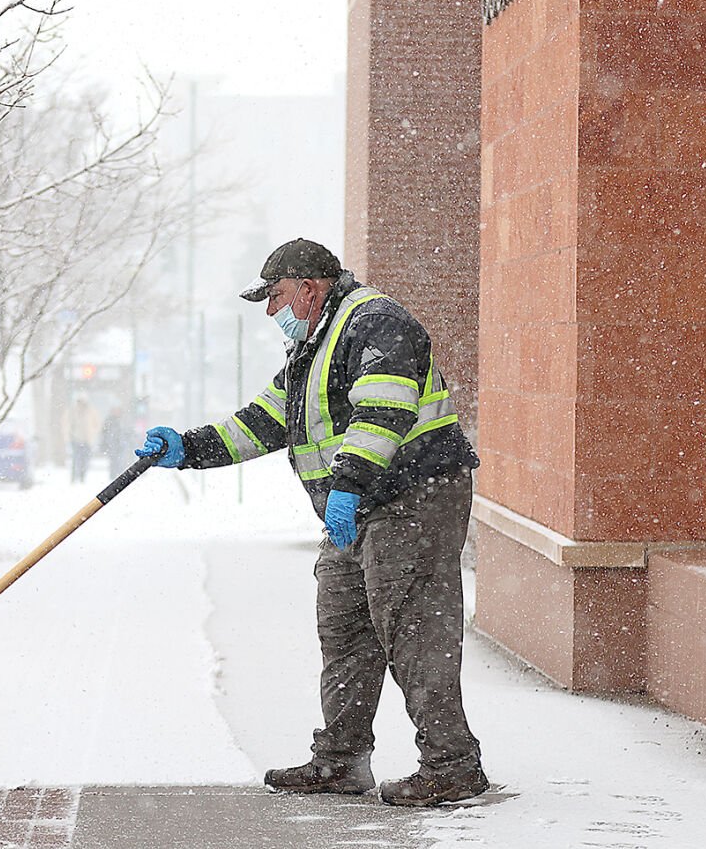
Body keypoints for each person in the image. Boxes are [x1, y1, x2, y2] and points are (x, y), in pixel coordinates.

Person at [136, 238, 487, 807]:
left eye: (276, 298)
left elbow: (384, 409)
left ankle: (452, 764)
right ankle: (342, 760)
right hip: (361, 507)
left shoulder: (376, 323)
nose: (273, 313)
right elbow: (262, 423)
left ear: (309, 287)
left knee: (415, 627)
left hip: (413, 498)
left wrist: (347, 486)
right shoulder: (313, 350)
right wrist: (189, 448)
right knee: (345, 624)